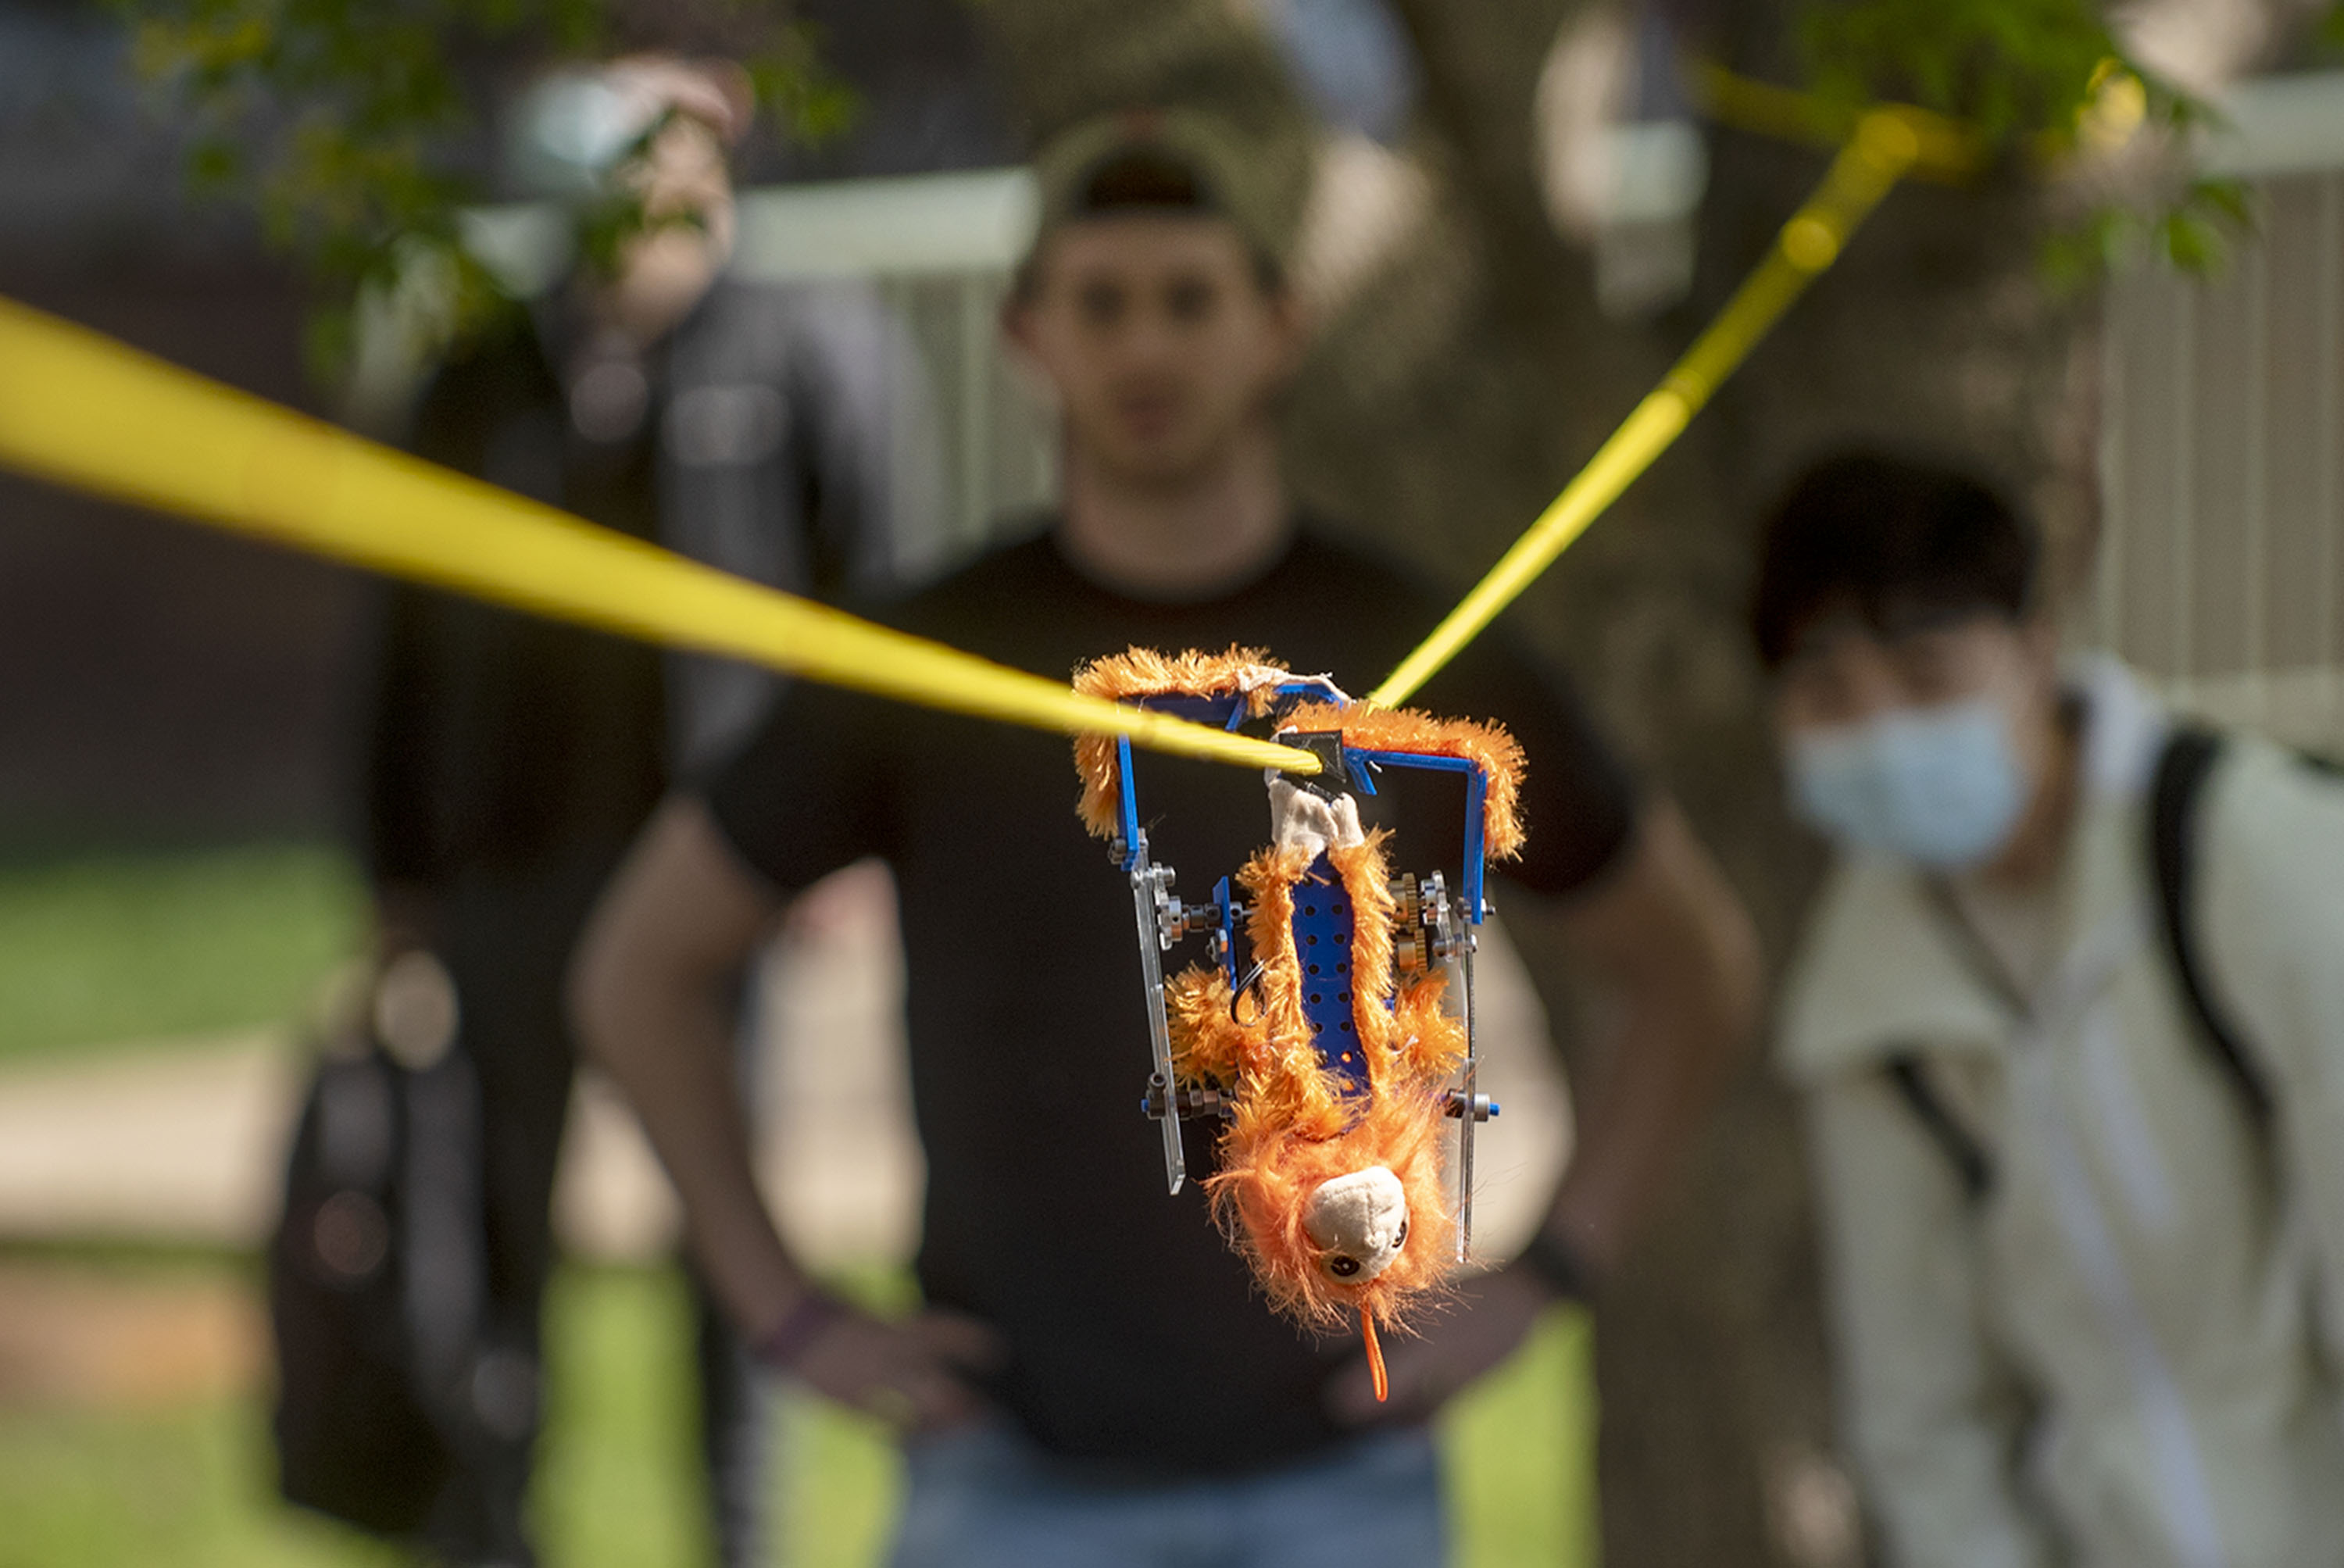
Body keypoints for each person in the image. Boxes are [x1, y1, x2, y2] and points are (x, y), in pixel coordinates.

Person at [570, 107, 1759, 1566]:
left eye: (1191, 301)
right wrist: (788, 1311)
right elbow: (636, 973)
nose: (1147, 349)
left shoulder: (1415, 655)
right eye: (1103, 303)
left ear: (1278, 327)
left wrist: (1554, 1272)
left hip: (1347, 1475)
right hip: (1010, 1478)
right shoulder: (937, 658)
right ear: (1028, 334)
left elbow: (1694, 967)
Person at [327, 57, 936, 1567]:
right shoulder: (475, 375)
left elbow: (874, 611)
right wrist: (397, 869)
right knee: (493, 1236)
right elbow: (400, 638)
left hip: (713, 878)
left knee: (726, 1241)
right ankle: (490, 1532)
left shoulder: (798, 350)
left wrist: (841, 843)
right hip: (509, 870)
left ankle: (744, 1541)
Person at [1760, 451, 2344, 1568]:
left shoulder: (2251, 854)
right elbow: (1921, 1415)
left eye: (1928, 676)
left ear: (2036, 650)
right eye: (1828, 694)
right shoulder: (1863, 996)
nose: (1881, 732)